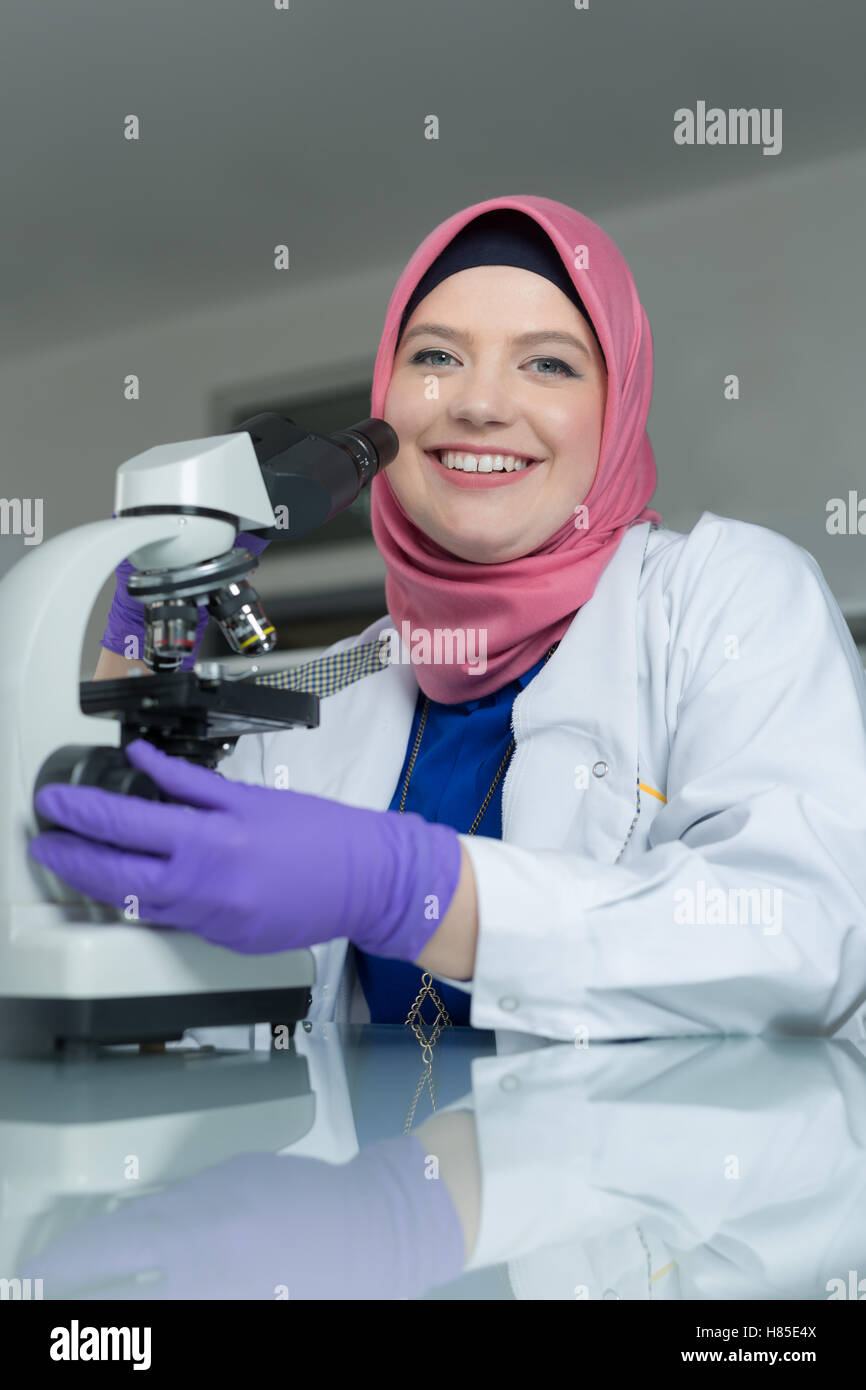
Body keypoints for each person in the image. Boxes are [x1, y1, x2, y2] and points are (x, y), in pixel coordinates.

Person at [29, 195, 866, 1042]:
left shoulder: (724, 598)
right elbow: (110, 881)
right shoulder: (338, 680)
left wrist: (412, 889)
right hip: (365, 1173)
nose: (477, 405)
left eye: (548, 364)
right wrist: (134, 629)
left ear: (616, 414)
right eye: (435, 357)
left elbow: (803, 936)